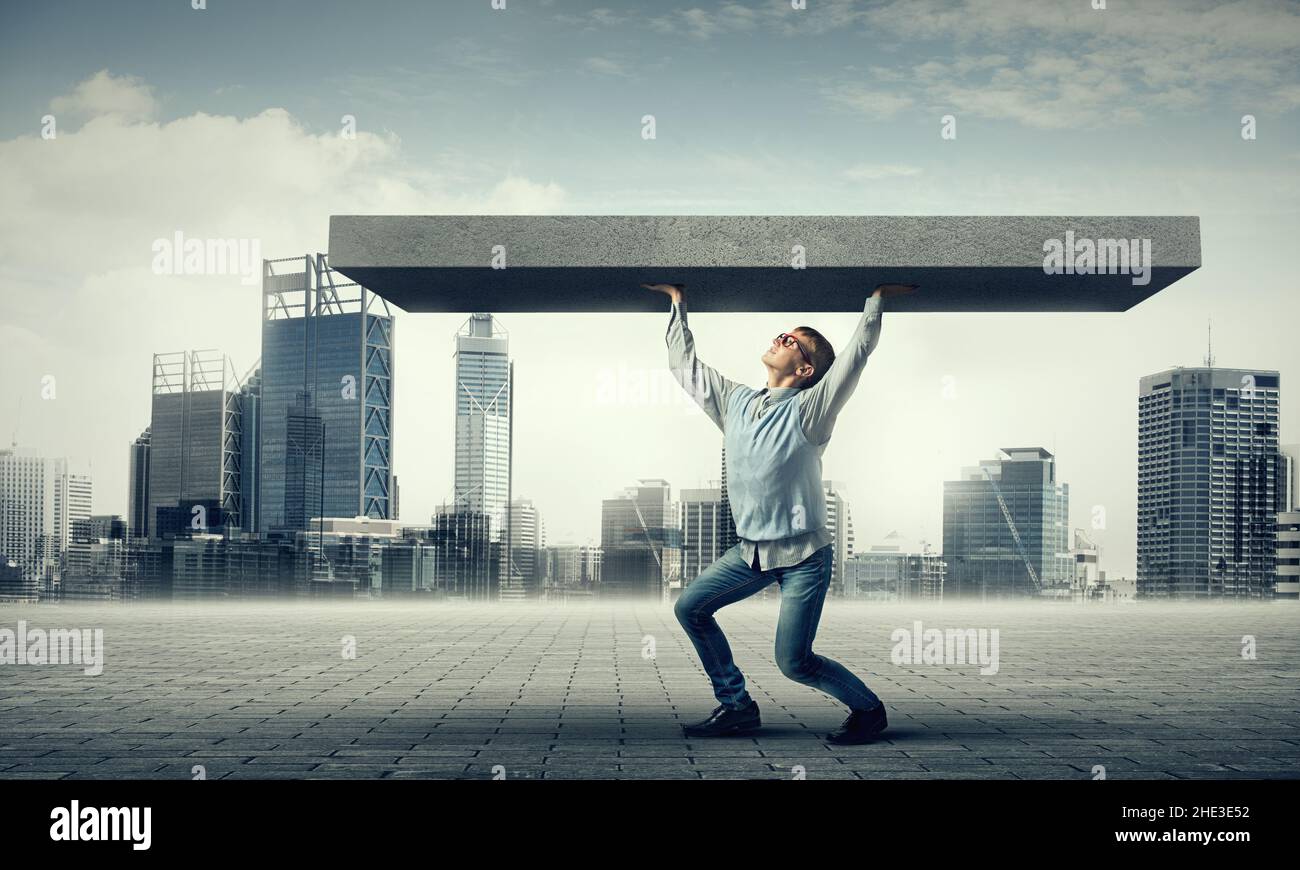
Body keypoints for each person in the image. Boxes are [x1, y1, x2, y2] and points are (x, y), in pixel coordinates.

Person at [643, 280, 917, 744]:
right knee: (690, 608)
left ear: (806, 368)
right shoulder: (735, 402)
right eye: (782, 333)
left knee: (794, 662)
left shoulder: (813, 408)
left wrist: (875, 301)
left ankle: (869, 710)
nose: (781, 338)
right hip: (750, 553)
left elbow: (855, 357)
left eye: (794, 341)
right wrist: (677, 304)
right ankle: (736, 707)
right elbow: (683, 366)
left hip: (805, 557)